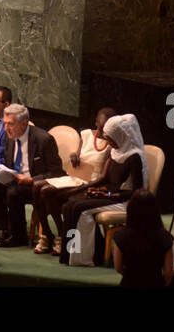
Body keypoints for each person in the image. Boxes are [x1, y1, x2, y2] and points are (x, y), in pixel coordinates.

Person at [58, 113, 148, 266]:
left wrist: (110, 194)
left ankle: (87, 257)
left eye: (111, 138)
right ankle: (69, 254)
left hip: (124, 200)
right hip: (109, 195)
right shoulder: (116, 151)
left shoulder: (134, 157)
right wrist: (81, 189)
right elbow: (104, 178)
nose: (109, 142)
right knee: (69, 206)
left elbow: (137, 192)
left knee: (80, 210)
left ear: (121, 136)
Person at [32, 106, 115, 255]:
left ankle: (61, 234)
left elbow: (105, 176)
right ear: (95, 122)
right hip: (75, 177)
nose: (101, 131)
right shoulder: (86, 135)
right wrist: (74, 156)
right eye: (99, 126)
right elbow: (77, 155)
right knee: (36, 186)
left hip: (90, 183)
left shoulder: (113, 143)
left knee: (47, 191)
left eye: (105, 128)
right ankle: (47, 234)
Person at [0, 103, 64, 248]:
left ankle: (19, 237)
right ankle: (6, 230)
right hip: (15, 179)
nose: (6, 128)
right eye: (5, 123)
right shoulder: (9, 136)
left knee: (13, 193)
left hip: (36, 184)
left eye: (11, 124)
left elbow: (56, 172)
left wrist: (31, 180)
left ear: (24, 123)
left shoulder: (44, 140)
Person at [111, 190, 174, 287]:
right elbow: (168, 273)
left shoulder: (121, 236)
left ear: (130, 210)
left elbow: (118, 267)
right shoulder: (165, 237)